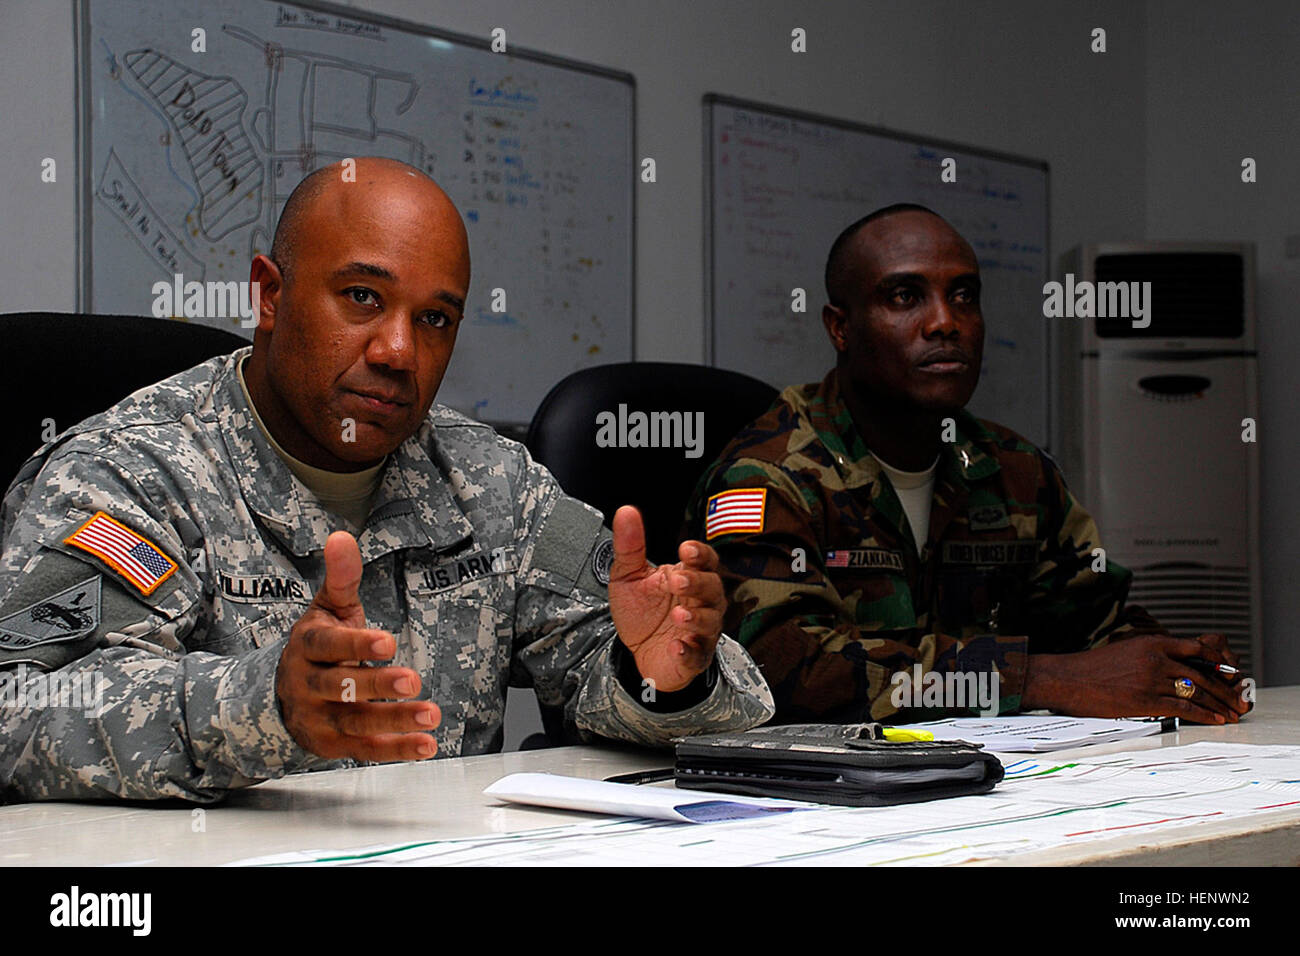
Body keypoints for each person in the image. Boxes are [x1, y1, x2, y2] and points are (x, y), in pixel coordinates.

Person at [0, 157, 772, 804]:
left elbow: (657, 667)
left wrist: (660, 676)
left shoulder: (497, 482)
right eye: (362, 298)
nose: (399, 350)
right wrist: (262, 705)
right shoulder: (130, 470)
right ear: (270, 295)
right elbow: (23, 707)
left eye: (435, 318)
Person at [685, 203, 1250, 726]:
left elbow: (1094, 620)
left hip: (1016, 787)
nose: (944, 323)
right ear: (840, 327)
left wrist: (1177, 664)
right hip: (830, 806)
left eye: (963, 296)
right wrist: (1036, 678)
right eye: (905, 297)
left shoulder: (1016, 472)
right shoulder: (769, 475)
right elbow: (782, 668)